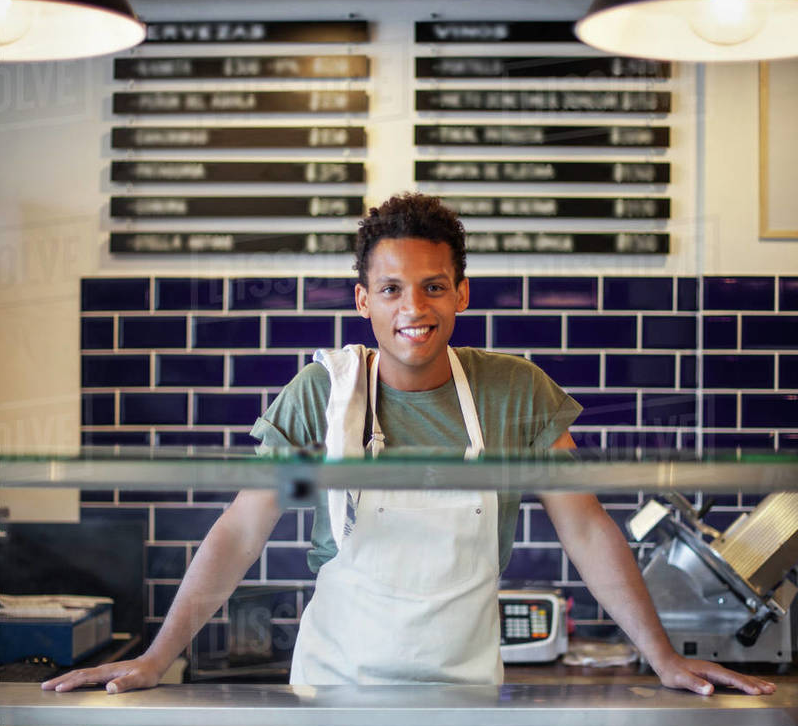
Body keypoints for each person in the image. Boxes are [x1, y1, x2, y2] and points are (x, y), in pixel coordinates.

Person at [44, 193, 774, 696]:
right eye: (391, 290)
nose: (413, 309)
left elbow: (585, 527)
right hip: (336, 686)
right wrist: (157, 657)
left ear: (462, 292)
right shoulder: (321, 393)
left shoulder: (516, 391)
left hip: (465, 689)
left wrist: (662, 656)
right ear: (363, 300)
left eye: (433, 287)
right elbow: (238, 532)